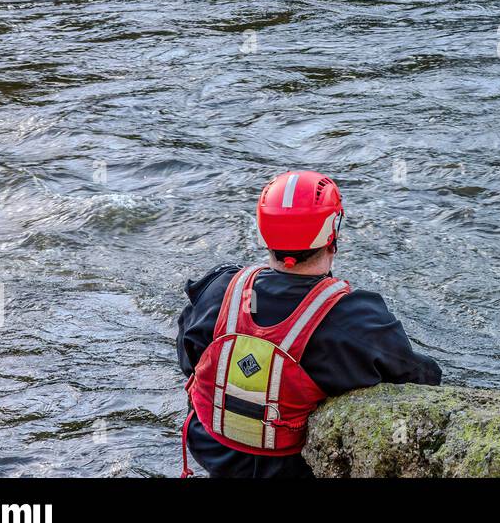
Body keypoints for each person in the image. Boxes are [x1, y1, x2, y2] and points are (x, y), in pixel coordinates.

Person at [177, 170, 441, 477]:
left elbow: (188, 360)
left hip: (215, 454)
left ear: (264, 229)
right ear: (332, 232)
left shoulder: (219, 290)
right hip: (292, 469)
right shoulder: (354, 318)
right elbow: (419, 377)